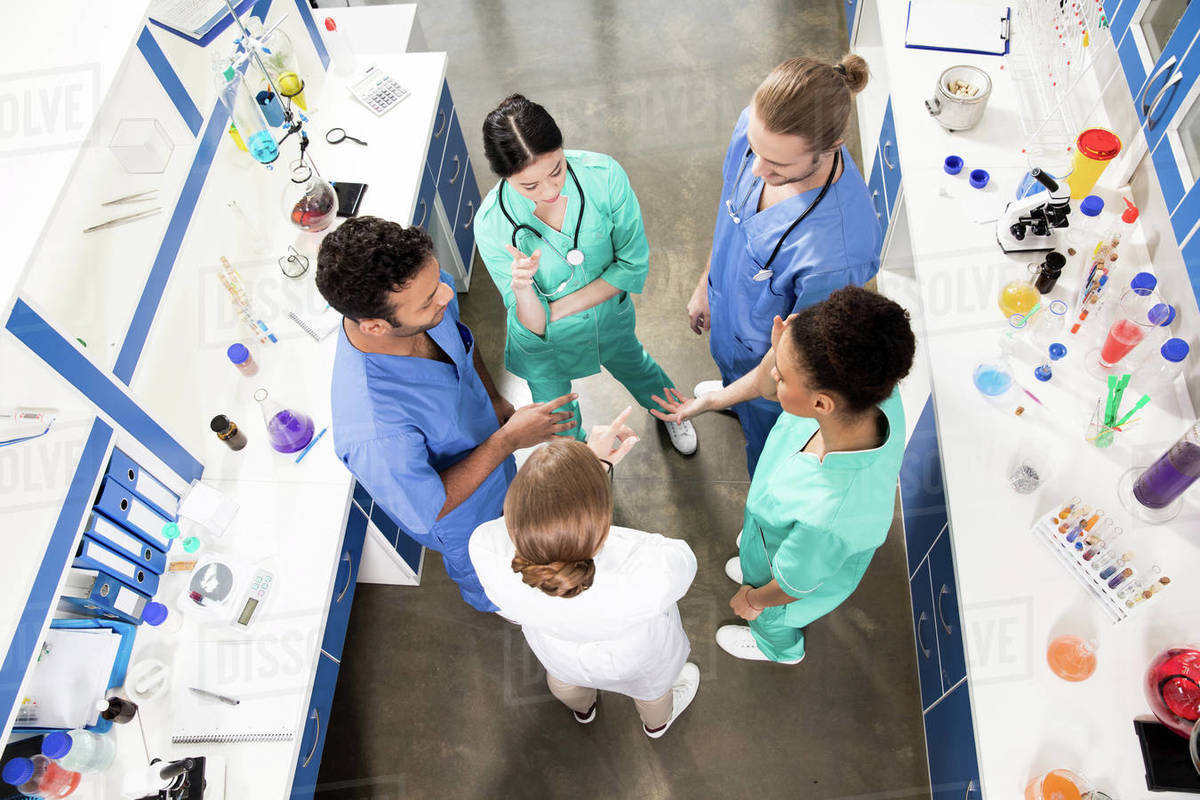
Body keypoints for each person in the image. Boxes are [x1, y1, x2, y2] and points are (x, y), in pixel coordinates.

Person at [317, 218, 576, 613]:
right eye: (428, 301)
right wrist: (507, 440)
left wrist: (496, 405)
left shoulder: (425, 293)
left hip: (494, 458)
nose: (444, 294)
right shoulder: (375, 430)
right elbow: (431, 506)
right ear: (375, 325)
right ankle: (503, 607)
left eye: (437, 281)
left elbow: (462, 343)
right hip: (460, 513)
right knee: (491, 574)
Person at [654, 286, 915, 664]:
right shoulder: (869, 391)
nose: (771, 372)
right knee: (760, 560)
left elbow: (794, 585)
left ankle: (777, 649)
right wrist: (720, 395)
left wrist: (754, 600)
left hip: (790, 581)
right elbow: (765, 384)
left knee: (773, 619)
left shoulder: (829, 517)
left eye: (782, 375)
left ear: (821, 403)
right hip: (776, 540)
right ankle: (755, 565)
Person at [473, 93, 697, 456]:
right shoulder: (492, 225)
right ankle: (581, 465)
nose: (549, 190)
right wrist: (523, 287)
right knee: (558, 421)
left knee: (638, 367)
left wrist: (559, 309)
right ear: (503, 177)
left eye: (556, 170)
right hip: (543, 345)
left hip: (606, 316)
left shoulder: (603, 177)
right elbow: (531, 321)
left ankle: (673, 413)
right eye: (529, 186)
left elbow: (632, 263)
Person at [687, 55, 881, 475]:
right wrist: (706, 284)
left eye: (777, 165)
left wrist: (727, 397)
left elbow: (799, 353)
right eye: (755, 150)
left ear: (830, 148)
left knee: (766, 444)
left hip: (771, 377)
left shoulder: (838, 251)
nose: (757, 168)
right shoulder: (760, 132)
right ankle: (733, 393)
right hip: (728, 325)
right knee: (734, 388)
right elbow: (731, 214)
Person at [469, 408, 700, 738]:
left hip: (558, 653)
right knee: (653, 693)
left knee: (566, 683)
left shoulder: (487, 550)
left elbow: (509, 532)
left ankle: (583, 710)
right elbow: (684, 561)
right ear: (602, 520)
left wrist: (587, 470)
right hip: (637, 659)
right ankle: (656, 725)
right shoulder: (646, 567)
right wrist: (594, 467)